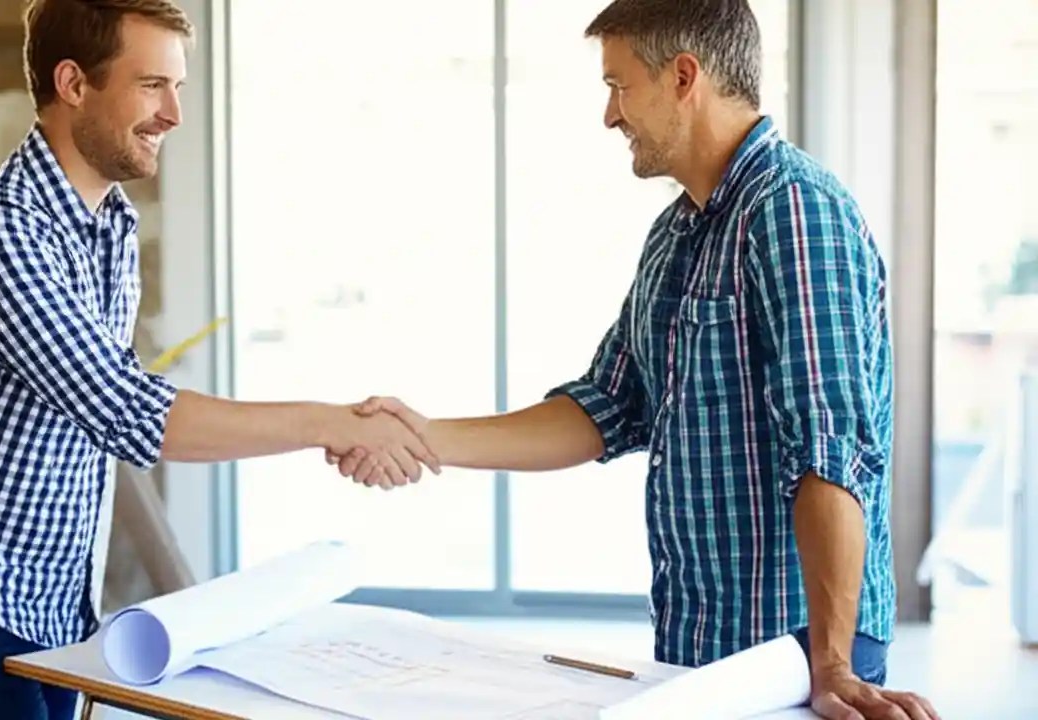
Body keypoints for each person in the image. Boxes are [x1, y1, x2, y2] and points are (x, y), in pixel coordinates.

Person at [330, 1, 940, 718]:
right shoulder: (677, 231)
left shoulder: (795, 213)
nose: (610, 116)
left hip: (794, 656)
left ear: (684, 77)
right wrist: (423, 437)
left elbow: (828, 452)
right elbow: (606, 407)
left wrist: (829, 664)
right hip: (700, 642)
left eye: (619, 87)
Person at [0, 1, 437, 718]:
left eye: (179, 87)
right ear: (73, 83)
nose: (174, 114)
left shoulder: (110, 224)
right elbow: (129, 413)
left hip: (41, 598)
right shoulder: (0, 226)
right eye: (153, 85)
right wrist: (335, 423)